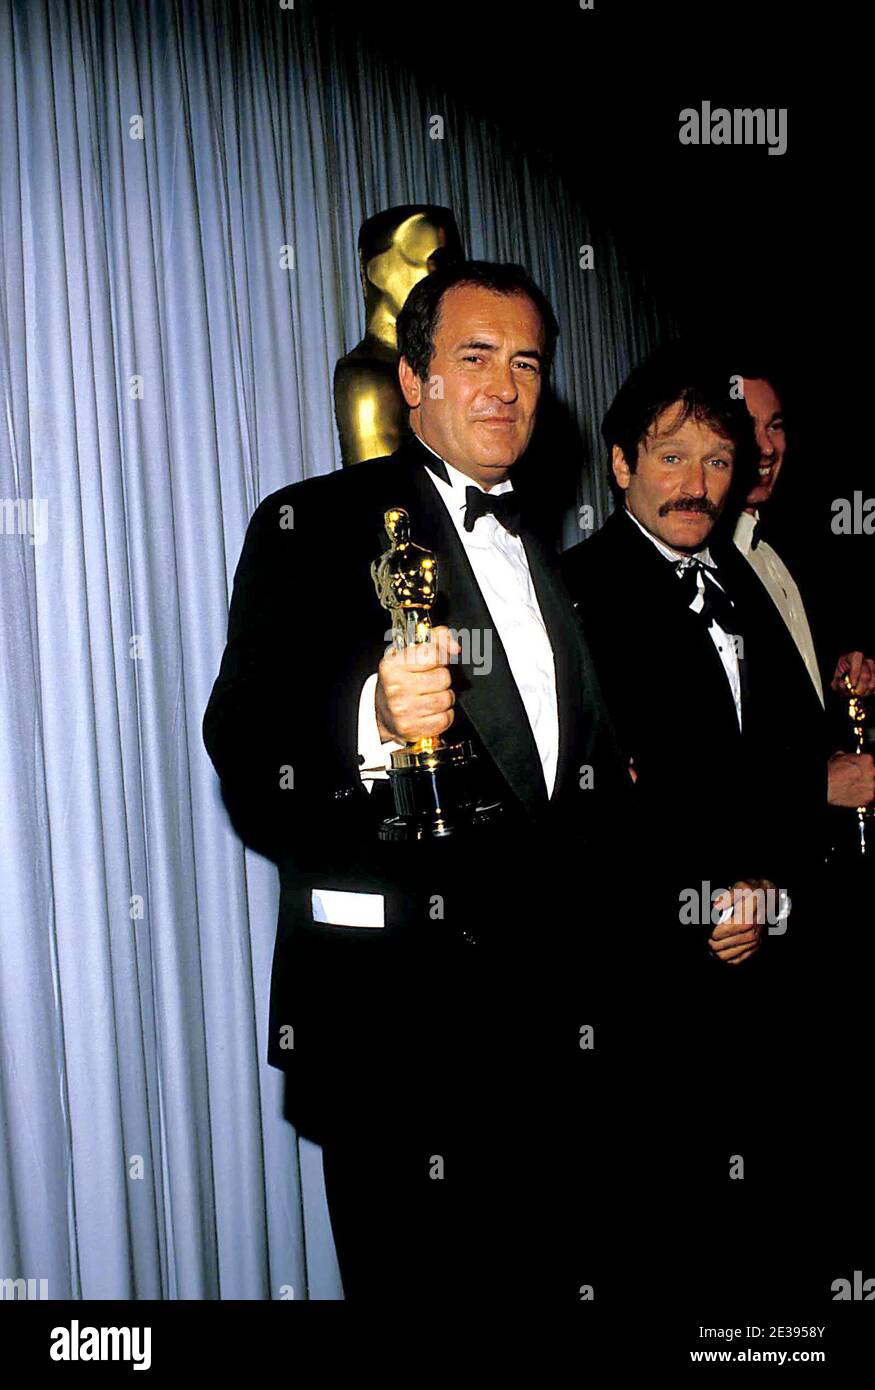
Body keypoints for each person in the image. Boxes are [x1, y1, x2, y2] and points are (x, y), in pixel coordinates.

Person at [203, 260, 629, 1301]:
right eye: (473, 357)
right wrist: (373, 720)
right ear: (413, 380)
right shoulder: (309, 525)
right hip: (400, 1047)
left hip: (556, 1041)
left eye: (526, 362)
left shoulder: (547, 558)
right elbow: (248, 754)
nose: (504, 387)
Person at [560, 342, 826, 1303]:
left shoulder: (741, 581)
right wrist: (697, 902)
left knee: (757, 1249)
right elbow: (574, 815)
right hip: (643, 1001)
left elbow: (799, 769)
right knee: (656, 1251)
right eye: (670, 456)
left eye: (717, 461)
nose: (695, 482)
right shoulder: (570, 595)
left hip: (764, 979)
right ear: (621, 463)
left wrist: (772, 887)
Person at [733, 371, 875, 820]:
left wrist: (837, 676)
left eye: (774, 426)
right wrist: (815, 786)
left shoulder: (787, 549)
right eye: (746, 426)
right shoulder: (695, 565)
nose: (766, 447)